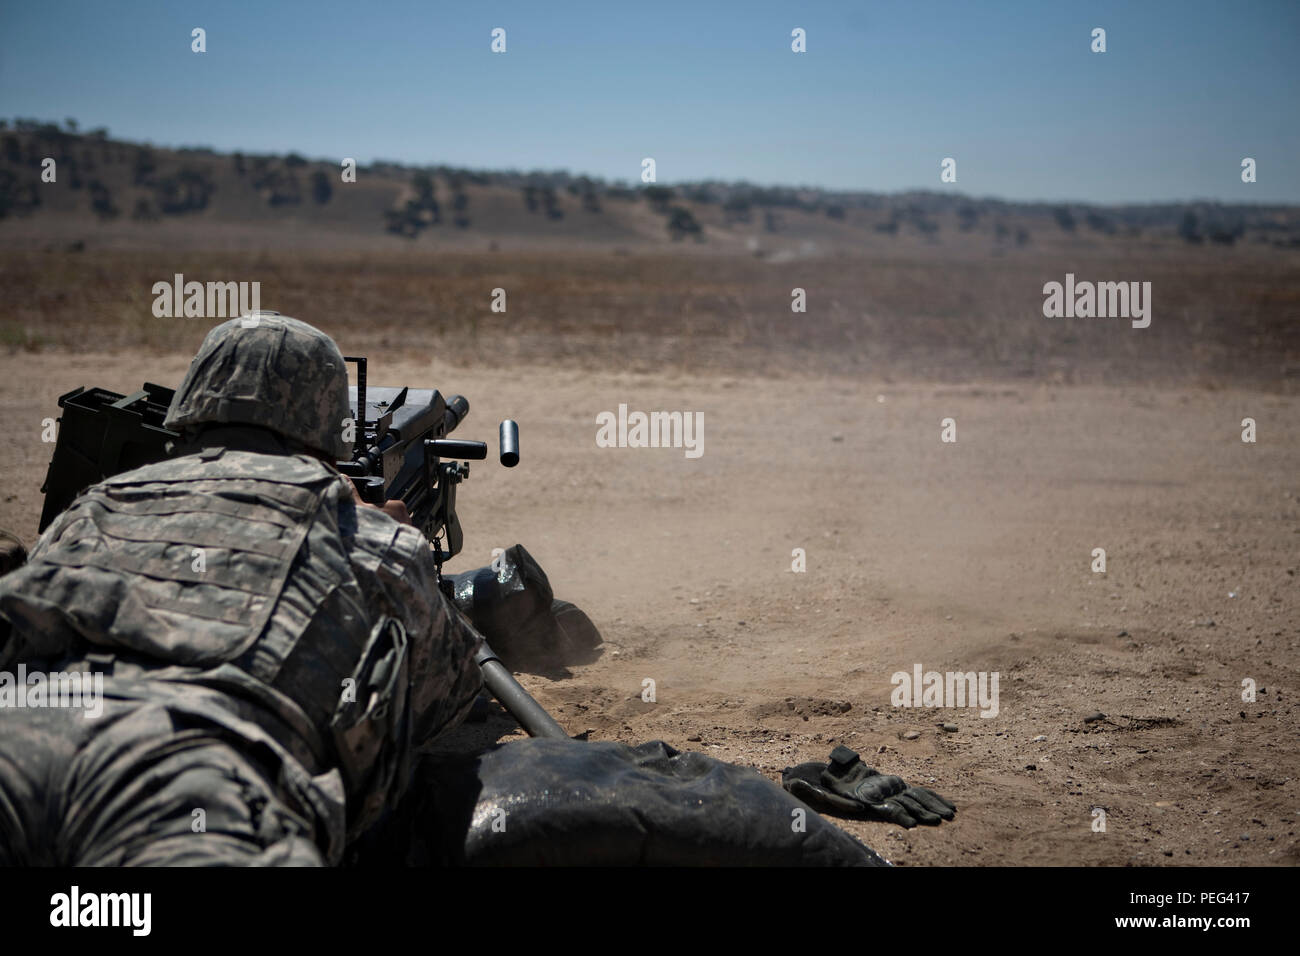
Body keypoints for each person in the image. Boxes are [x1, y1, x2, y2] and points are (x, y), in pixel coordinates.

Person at [0, 313, 484, 866]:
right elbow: (443, 696)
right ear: (327, 423)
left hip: (21, 739)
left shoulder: (96, 505)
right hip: (189, 780)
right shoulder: (366, 536)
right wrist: (398, 546)